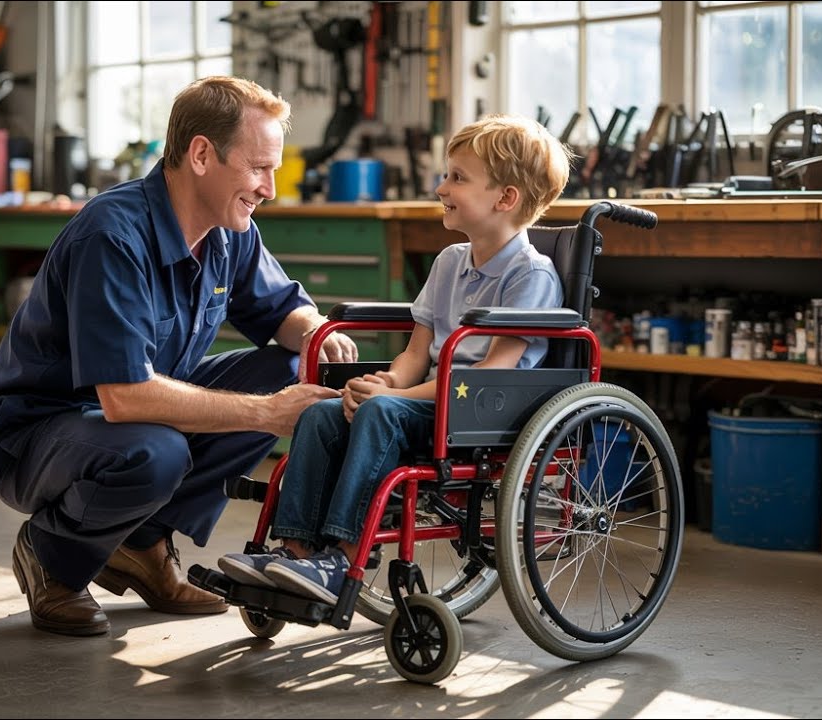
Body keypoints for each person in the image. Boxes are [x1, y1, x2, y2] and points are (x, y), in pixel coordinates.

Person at [0, 76, 357, 637]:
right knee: (156, 451)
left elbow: (282, 312)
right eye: (258, 168)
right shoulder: (113, 235)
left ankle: (142, 543)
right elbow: (125, 397)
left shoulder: (231, 229)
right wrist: (268, 415)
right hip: (35, 434)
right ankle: (52, 558)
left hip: (127, 419)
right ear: (202, 154)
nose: (270, 188)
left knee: (289, 367)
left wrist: (321, 335)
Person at [217, 114, 573, 604]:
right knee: (324, 410)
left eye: (457, 177)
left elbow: (492, 374)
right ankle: (296, 549)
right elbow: (415, 353)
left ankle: (341, 556)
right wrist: (383, 381)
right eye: (446, 173)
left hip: (484, 410)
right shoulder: (449, 262)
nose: (441, 185)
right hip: (431, 400)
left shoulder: (531, 275)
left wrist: (395, 397)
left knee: (382, 411)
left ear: (505, 198)